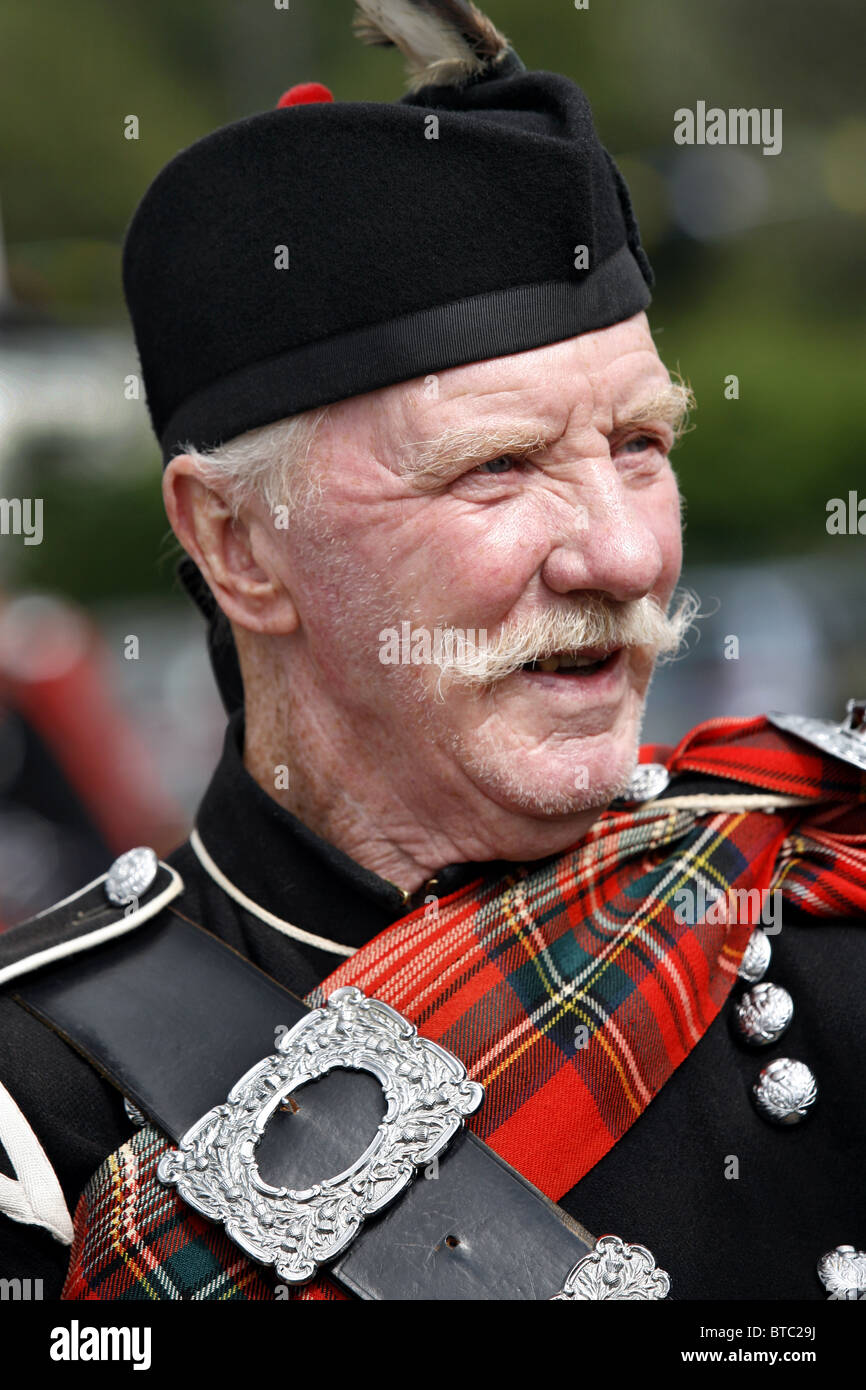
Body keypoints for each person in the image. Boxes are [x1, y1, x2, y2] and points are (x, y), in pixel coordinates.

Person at [1, 0, 864, 1303]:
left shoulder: (820, 907)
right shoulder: (42, 1108)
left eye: (641, 446)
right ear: (238, 542)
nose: (622, 558)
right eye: (497, 466)